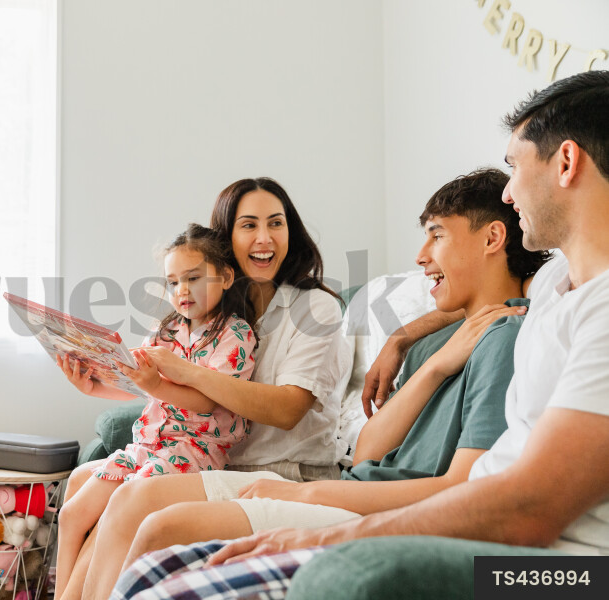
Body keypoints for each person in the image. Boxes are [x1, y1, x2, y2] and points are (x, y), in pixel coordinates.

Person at [111, 70, 609, 600]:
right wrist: (406, 338)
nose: (508, 192)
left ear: (566, 162)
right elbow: (504, 295)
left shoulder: (585, 315)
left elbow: (526, 511)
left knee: (177, 579)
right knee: (150, 571)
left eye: (514, 166)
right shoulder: (557, 281)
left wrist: (330, 533)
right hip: (455, 512)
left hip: (558, 572)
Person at [111, 167, 547, 575]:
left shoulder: (505, 338)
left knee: (155, 525)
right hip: (354, 482)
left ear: (493, 238)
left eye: (435, 235)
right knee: (112, 502)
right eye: (248, 225)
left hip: (339, 493)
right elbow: (367, 454)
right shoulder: (429, 345)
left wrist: (305, 492)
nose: (420, 256)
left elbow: (464, 486)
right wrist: (424, 359)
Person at [65, 177, 352, 600]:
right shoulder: (204, 312)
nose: (265, 238)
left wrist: (187, 373)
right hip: (220, 467)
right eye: (249, 225)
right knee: (83, 484)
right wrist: (101, 384)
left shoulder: (314, 308)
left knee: (127, 502)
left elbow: (289, 409)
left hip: (285, 471)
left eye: (276, 223)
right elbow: (162, 391)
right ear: (226, 242)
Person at [54, 224, 258, 599]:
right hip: (145, 447)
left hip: (190, 454)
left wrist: (156, 385)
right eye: (173, 282)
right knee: (71, 515)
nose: (182, 290)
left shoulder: (235, 334)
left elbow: (208, 401)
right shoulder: (166, 331)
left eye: (193, 278)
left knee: (112, 515)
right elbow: (139, 387)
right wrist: (93, 386)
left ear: (226, 277)